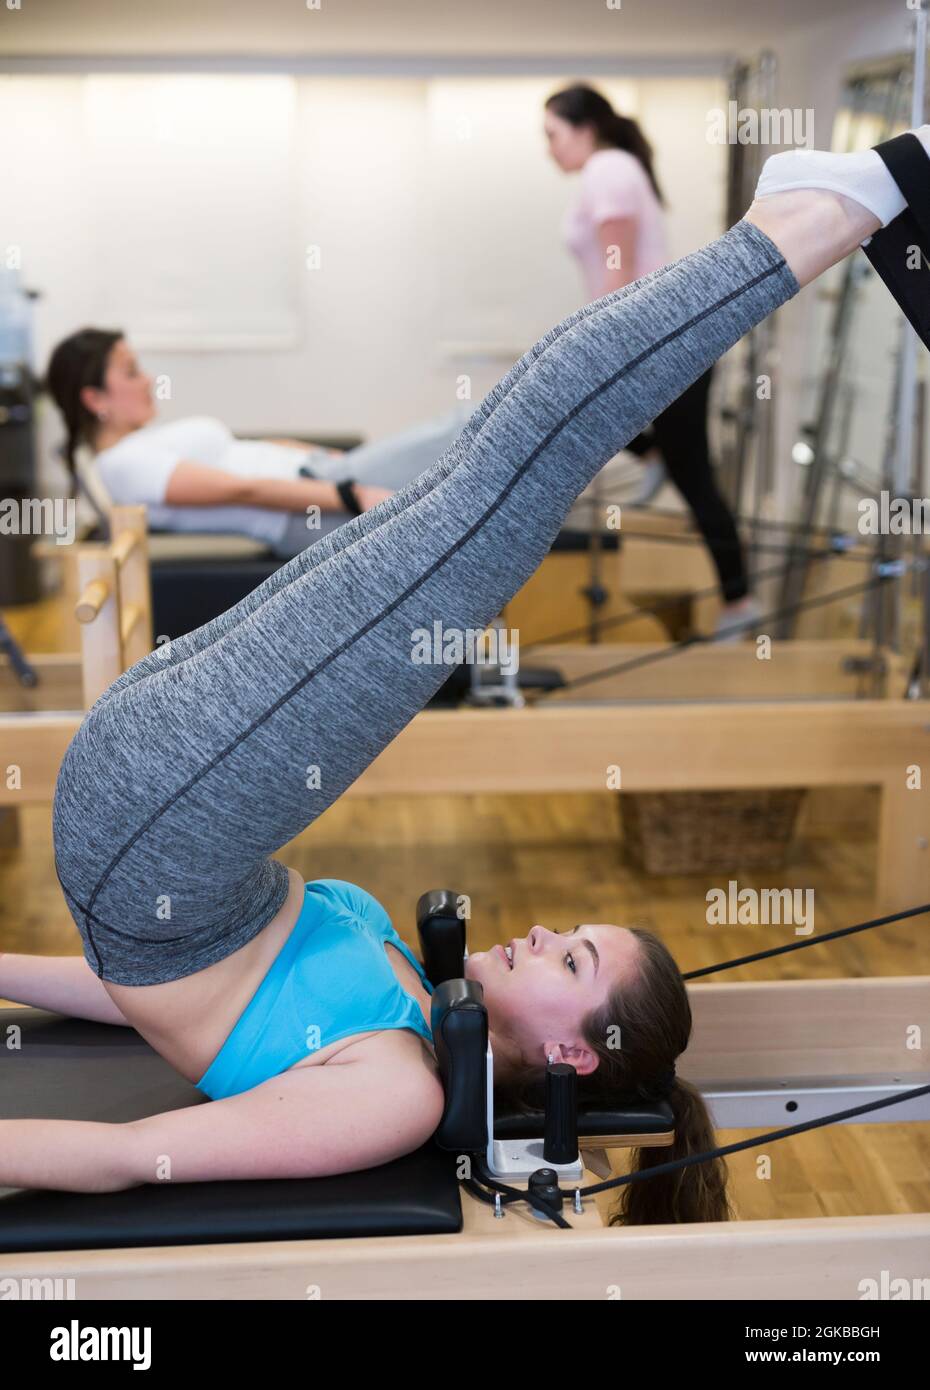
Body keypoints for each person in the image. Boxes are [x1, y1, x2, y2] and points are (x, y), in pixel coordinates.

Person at [3, 127, 925, 1223]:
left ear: (572, 1060)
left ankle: (819, 219)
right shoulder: (414, 996)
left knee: (510, 488)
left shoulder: (392, 1097)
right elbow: (135, 996)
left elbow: (134, 1155)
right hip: (160, 804)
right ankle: (798, 222)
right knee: (483, 459)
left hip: (156, 823)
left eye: (574, 962)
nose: (546, 931)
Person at [544, 83, 760, 637]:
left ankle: (740, 603)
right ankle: (653, 451)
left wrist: (602, 338)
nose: (548, 149)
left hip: (665, 341)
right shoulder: (612, 168)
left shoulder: (607, 170)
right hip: (661, 338)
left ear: (584, 128)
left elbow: (617, 262)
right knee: (582, 421)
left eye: (552, 135)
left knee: (695, 479)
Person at [43, 329, 470, 558]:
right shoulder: (121, 465)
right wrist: (350, 492)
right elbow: (238, 489)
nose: (149, 380)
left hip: (321, 478)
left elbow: (244, 451)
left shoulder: (140, 445)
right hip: (310, 506)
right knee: (460, 430)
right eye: (132, 372)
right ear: (94, 398)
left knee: (460, 452)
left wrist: (335, 460)